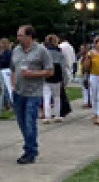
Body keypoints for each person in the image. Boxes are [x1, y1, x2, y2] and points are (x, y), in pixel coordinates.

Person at [10, 25, 53, 164]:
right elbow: (12, 69)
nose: (18, 38)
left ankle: (30, 151)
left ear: (29, 36)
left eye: (20, 35)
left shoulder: (41, 51)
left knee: (30, 122)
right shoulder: (16, 50)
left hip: (34, 92)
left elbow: (50, 71)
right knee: (22, 122)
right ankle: (29, 145)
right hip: (19, 91)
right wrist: (12, 85)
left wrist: (33, 73)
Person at [42, 34, 65, 124]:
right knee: (57, 96)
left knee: (46, 96)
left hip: (46, 74)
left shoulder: (44, 51)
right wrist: (64, 78)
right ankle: (57, 115)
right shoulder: (59, 52)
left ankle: (47, 116)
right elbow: (63, 66)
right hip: (57, 74)